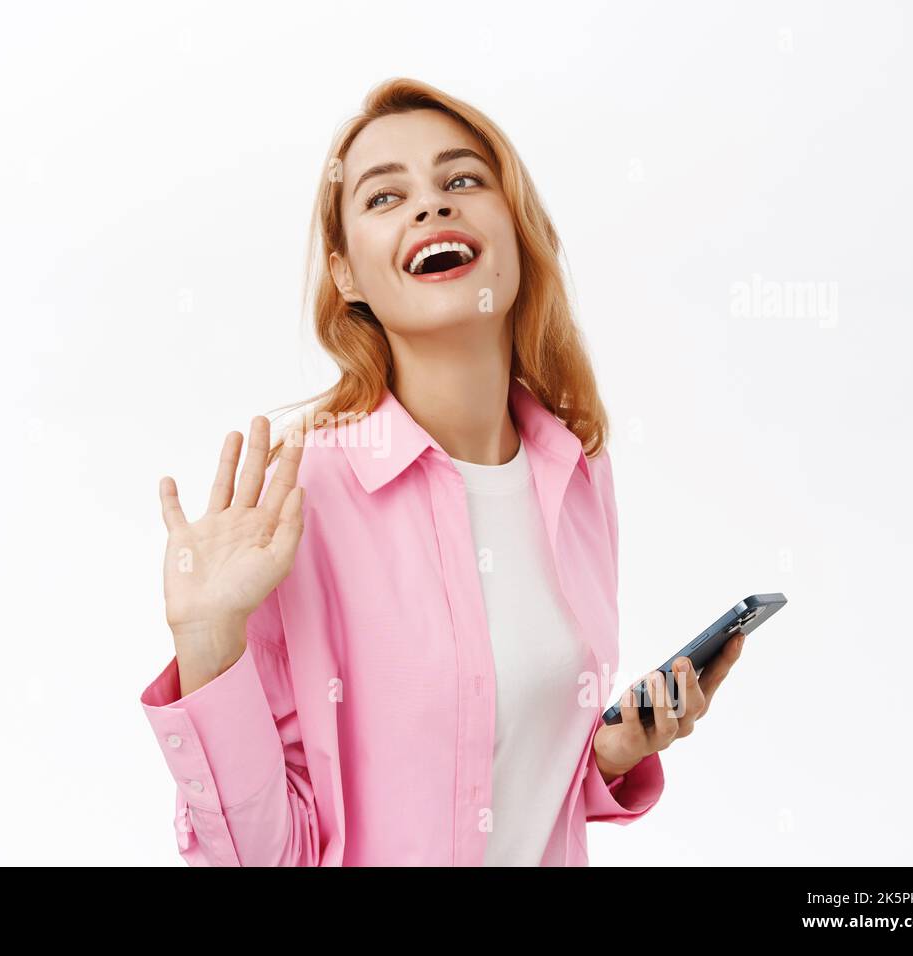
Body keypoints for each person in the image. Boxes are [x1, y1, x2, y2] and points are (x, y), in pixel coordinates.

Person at [143, 77, 744, 866]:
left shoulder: (575, 469)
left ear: (517, 232)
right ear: (349, 277)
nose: (431, 206)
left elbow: (503, 778)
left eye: (462, 180)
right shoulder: (298, 505)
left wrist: (609, 757)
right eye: (385, 197)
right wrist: (208, 642)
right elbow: (265, 854)